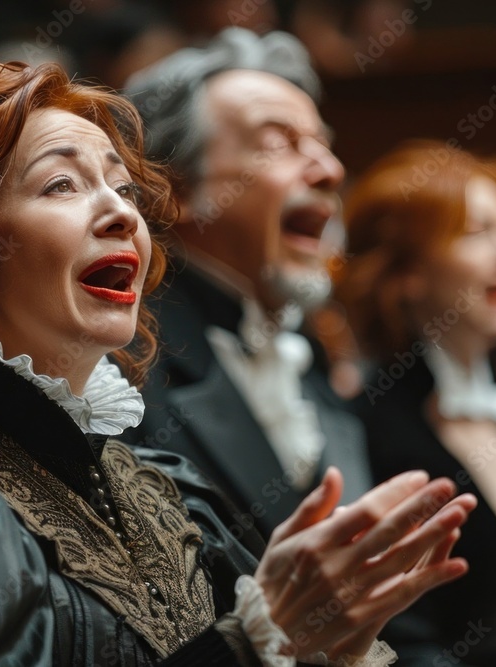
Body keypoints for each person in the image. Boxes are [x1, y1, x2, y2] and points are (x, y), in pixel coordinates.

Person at [0, 59, 476, 666]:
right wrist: (259, 644)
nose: (121, 215)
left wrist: (331, 633)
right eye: (61, 185)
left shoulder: (169, 490)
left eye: (124, 189)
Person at [122, 28, 370, 537]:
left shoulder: (318, 365)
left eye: (323, 145)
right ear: (173, 188)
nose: (331, 169)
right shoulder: (118, 374)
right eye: (278, 142)